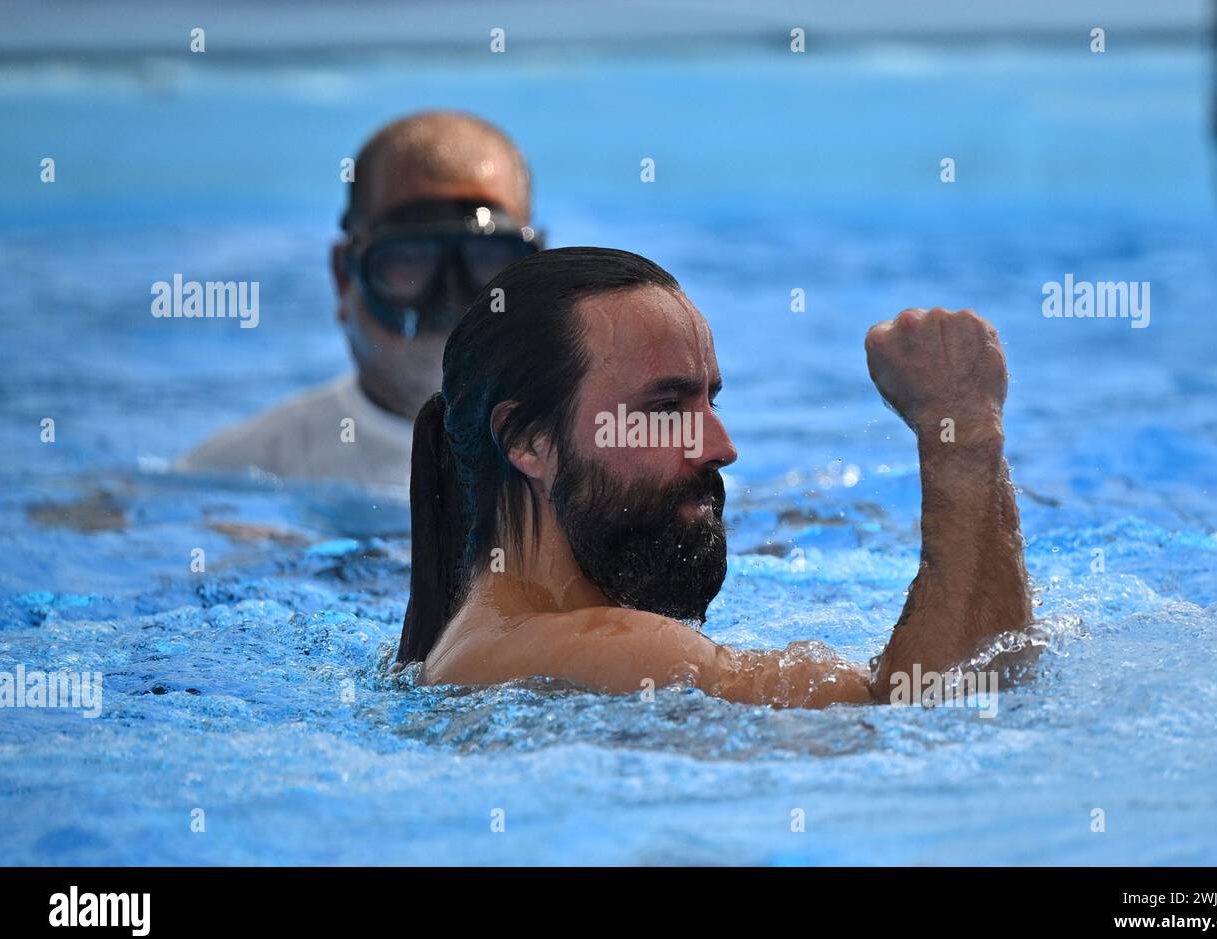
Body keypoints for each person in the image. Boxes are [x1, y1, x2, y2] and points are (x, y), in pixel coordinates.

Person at [400, 247, 1032, 708]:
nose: (721, 447)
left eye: (710, 404)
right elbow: (938, 712)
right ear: (527, 440)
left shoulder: (467, 653)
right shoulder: (615, 651)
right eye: (665, 409)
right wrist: (963, 431)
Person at [176, 111, 542, 487]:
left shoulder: (592, 450)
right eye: (410, 260)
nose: (452, 305)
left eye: (488, 260)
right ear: (343, 277)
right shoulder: (242, 472)